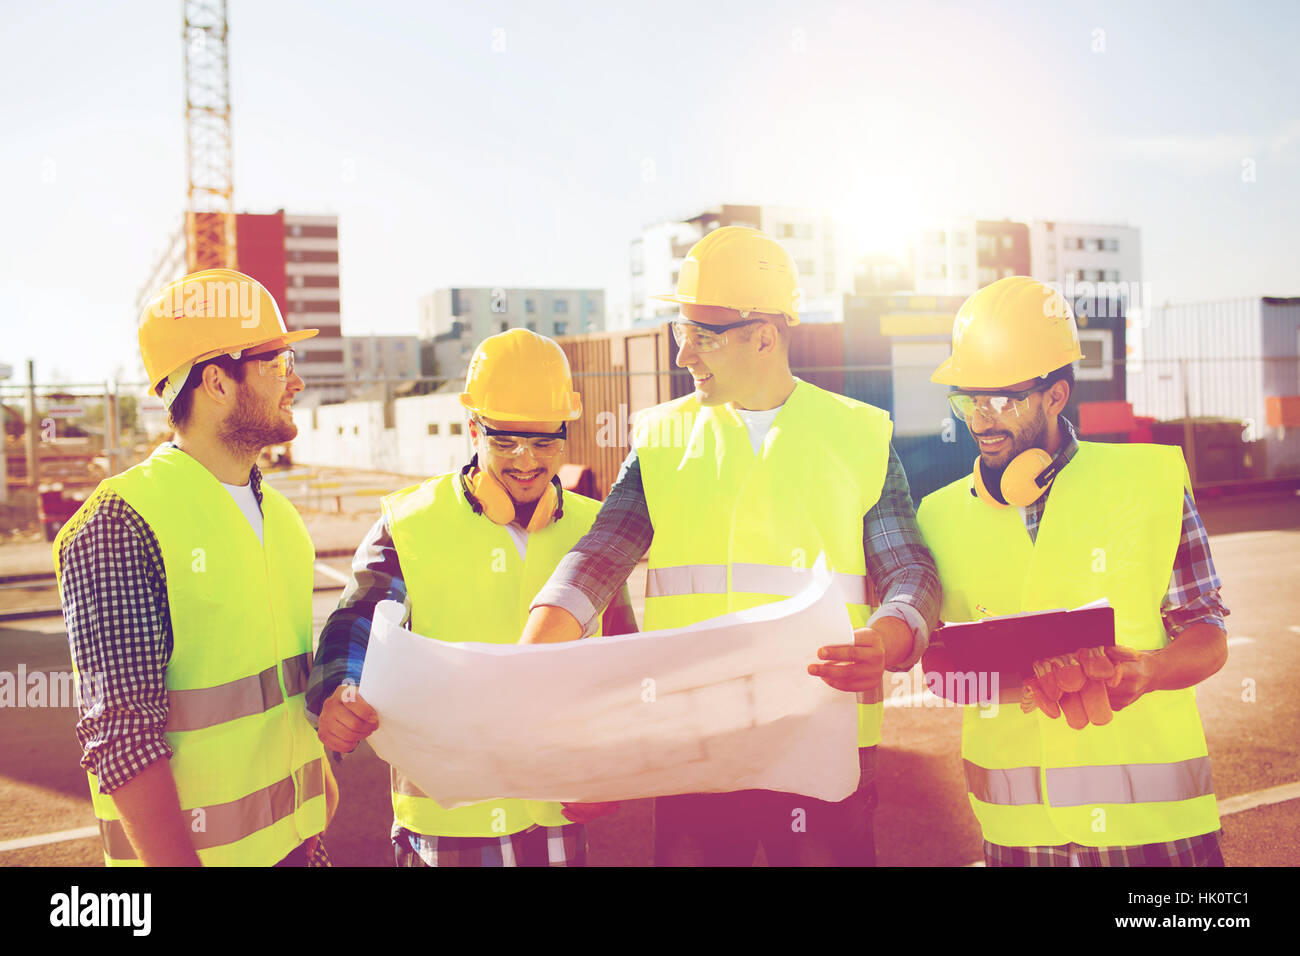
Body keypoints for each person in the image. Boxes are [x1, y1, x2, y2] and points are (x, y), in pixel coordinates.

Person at [519, 225, 941, 866]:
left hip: (820, 746)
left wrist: (884, 641)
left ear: (766, 337)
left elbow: (909, 570)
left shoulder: (856, 435)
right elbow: (599, 555)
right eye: (678, 332)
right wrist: (526, 660)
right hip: (699, 747)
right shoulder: (662, 439)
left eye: (702, 336)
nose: (683, 355)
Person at [915, 275, 1228, 866]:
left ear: (1056, 395)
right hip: (1021, 840)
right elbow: (942, 667)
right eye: (968, 400)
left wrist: (1152, 671)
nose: (981, 419)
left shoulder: (1149, 484)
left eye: (1001, 399)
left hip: (1156, 835)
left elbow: (1208, 634)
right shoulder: (936, 518)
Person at [307, 328, 635, 867]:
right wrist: (337, 691)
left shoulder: (594, 528)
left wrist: (614, 762)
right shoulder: (411, 525)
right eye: (505, 441)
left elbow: (623, 659)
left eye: (544, 441)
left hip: (556, 813)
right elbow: (354, 624)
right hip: (450, 822)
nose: (526, 460)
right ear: (473, 428)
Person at [54, 268, 333, 866]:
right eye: (278, 363)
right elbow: (122, 738)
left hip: (299, 850)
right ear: (216, 381)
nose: (297, 381)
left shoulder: (280, 518)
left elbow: (283, 689)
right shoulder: (119, 524)